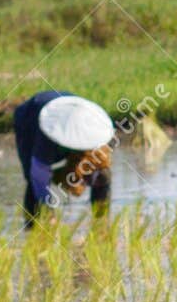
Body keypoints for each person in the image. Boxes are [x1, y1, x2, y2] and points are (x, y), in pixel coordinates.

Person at [12, 92, 114, 227]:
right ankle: (32, 226)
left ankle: (101, 222)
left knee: (103, 176)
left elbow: (102, 174)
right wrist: (49, 211)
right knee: (32, 180)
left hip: (72, 108)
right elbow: (38, 175)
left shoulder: (97, 132)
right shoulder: (46, 139)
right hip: (30, 118)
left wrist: (101, 221)